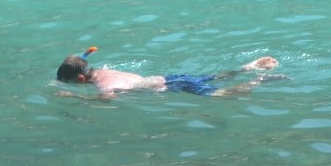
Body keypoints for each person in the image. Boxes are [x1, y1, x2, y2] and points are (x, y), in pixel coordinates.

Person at [57, 47, 279, 98]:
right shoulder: (105, 70)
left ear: (80, 79)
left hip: (172, 86)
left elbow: (106, 99)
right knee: (211, 77)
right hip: (171, 77)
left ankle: (259, 80)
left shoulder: (103, 86)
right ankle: (245, 68)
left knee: (223, 94)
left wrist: (74, 96)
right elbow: (83, 62)